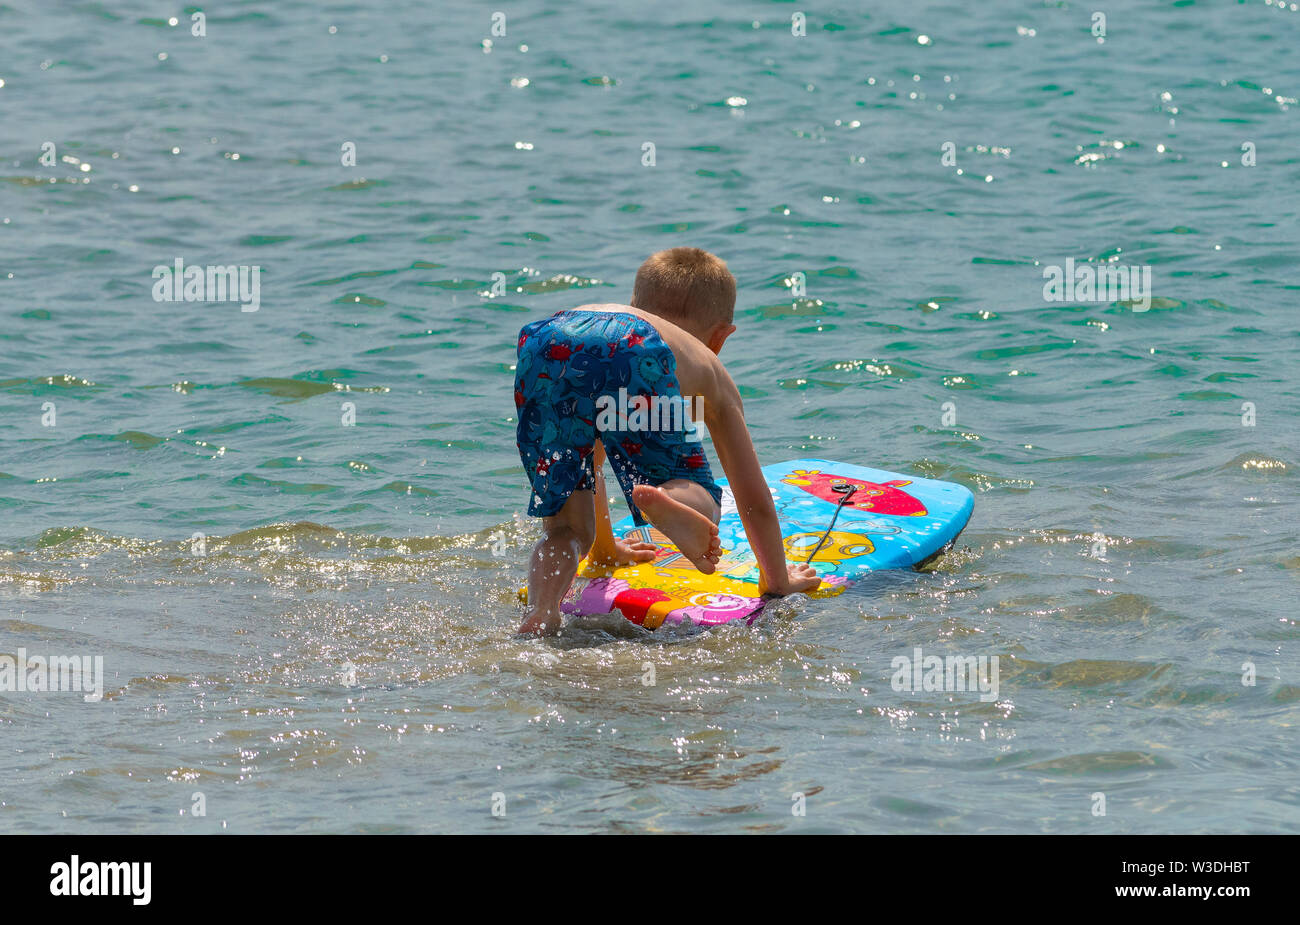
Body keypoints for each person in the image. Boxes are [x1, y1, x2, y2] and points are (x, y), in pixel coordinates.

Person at [513, 247, 820, 636]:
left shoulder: (607, 316)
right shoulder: (703, 363)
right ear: (721, 337)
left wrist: (605, 551)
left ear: (634, 303)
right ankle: (671, 501)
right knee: (702, 491)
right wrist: (778, 579)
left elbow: (594, 462)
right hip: (638, 350)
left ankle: (542, 612)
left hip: (548, 341)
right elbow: (751, 496)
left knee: (566, 528)